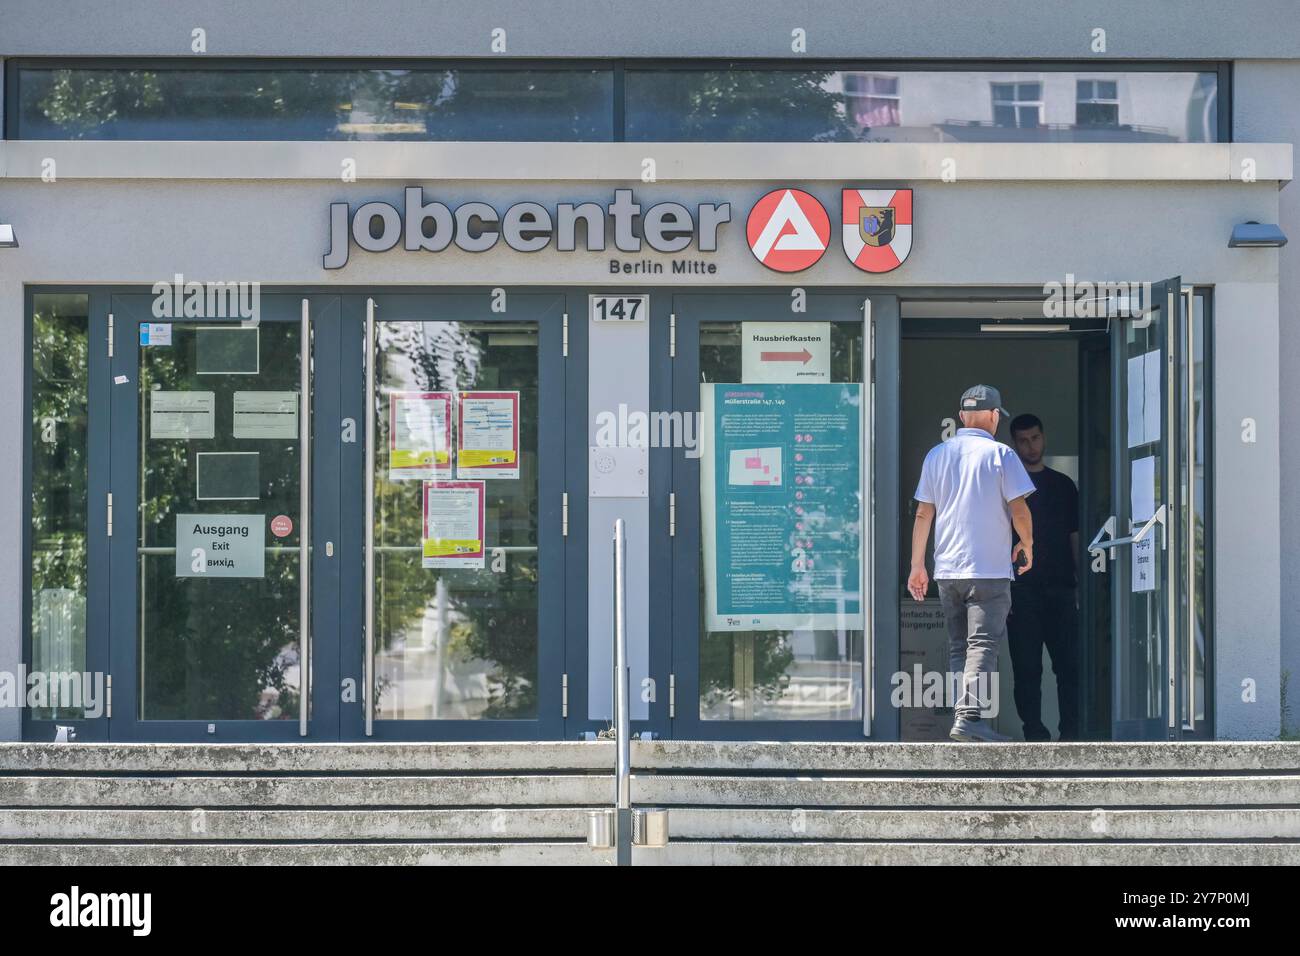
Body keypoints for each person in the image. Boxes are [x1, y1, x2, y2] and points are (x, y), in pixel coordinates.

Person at [909, 385, 1036, 743]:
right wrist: (1027, 543)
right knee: (982, 644)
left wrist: (917, 566)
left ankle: (964, 716)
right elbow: (1019, 508)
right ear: (995, 416)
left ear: (962, 416)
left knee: (957, 645)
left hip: (947, 570)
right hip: (989, 570)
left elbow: (923, 512)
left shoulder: (936, 454)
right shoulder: (1001, 455)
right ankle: (969, 719)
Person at [1006, 413, 1081, 741]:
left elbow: (1074, 537)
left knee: (1069, 666)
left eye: (1035, 438)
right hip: (1021, 591)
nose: (1030, 446)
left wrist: (1079, 585)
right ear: (1014, 444)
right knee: (1026, 668)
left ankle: (1072, 732)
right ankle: (1033, 732)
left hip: (1062, 588)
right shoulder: (1008, 488)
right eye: (1023, 440)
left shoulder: (1063, 485)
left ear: (1044, 437)